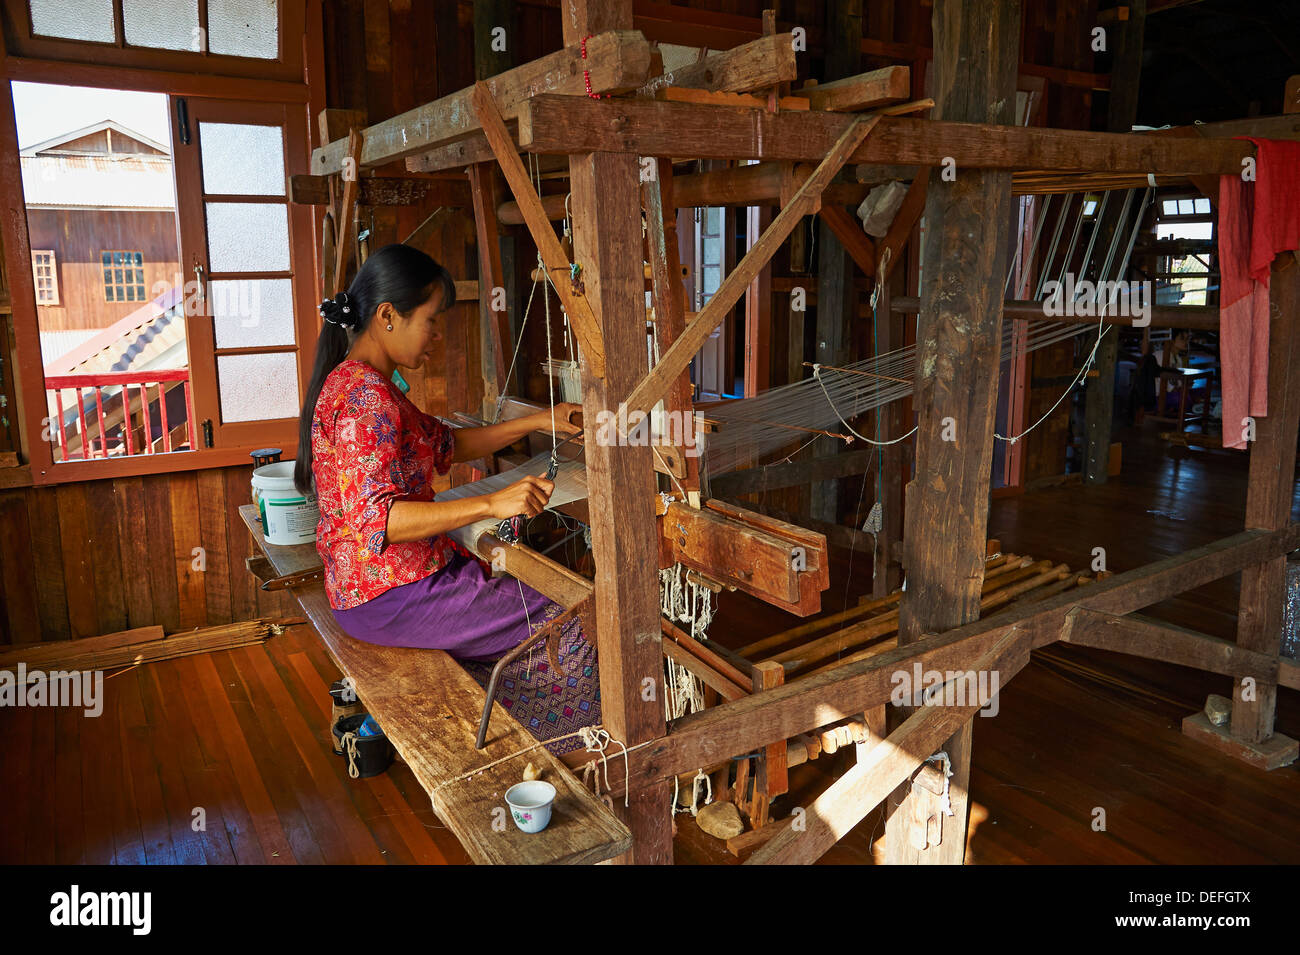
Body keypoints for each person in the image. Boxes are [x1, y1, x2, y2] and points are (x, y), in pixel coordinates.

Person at [296, 244, 600, 753]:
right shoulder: (364, 399)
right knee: (573, 614)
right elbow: (384, 522)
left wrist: (538, 421)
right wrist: (491, 503)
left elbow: (448, 444)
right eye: (432, 322)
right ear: (387, 316)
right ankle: (575, 751)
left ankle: (518, 734)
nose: (437, 336)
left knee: (532, 590)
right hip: (388, 596)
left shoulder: (370, 387)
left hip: (382, 587)